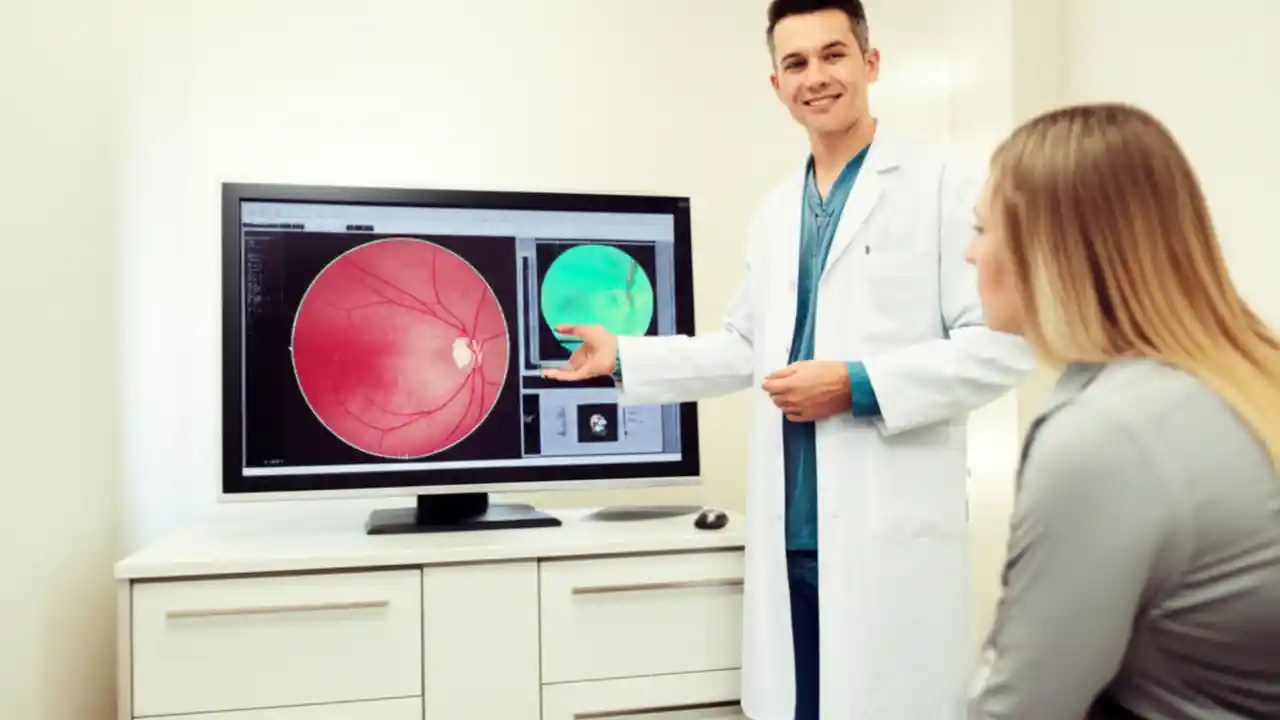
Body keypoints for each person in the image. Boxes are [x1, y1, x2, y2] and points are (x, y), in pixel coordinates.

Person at [543, 1, 1034, 717]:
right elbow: (746, 347)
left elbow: (1002, 344)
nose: (816, 77)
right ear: (776, 84)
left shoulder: (942, 184)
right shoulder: (775, 212)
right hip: (790, 540)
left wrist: (859, 384)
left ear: (871, 63)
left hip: (886, 538)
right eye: (796, 63)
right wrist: (625, 357)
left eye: (834, 55)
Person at [964, 102, 1280, 720]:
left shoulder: (1103, 442)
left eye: (981, 229)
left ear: (1046, 251)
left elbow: (1023, 706)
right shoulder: (1247, 376)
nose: (971, 255)